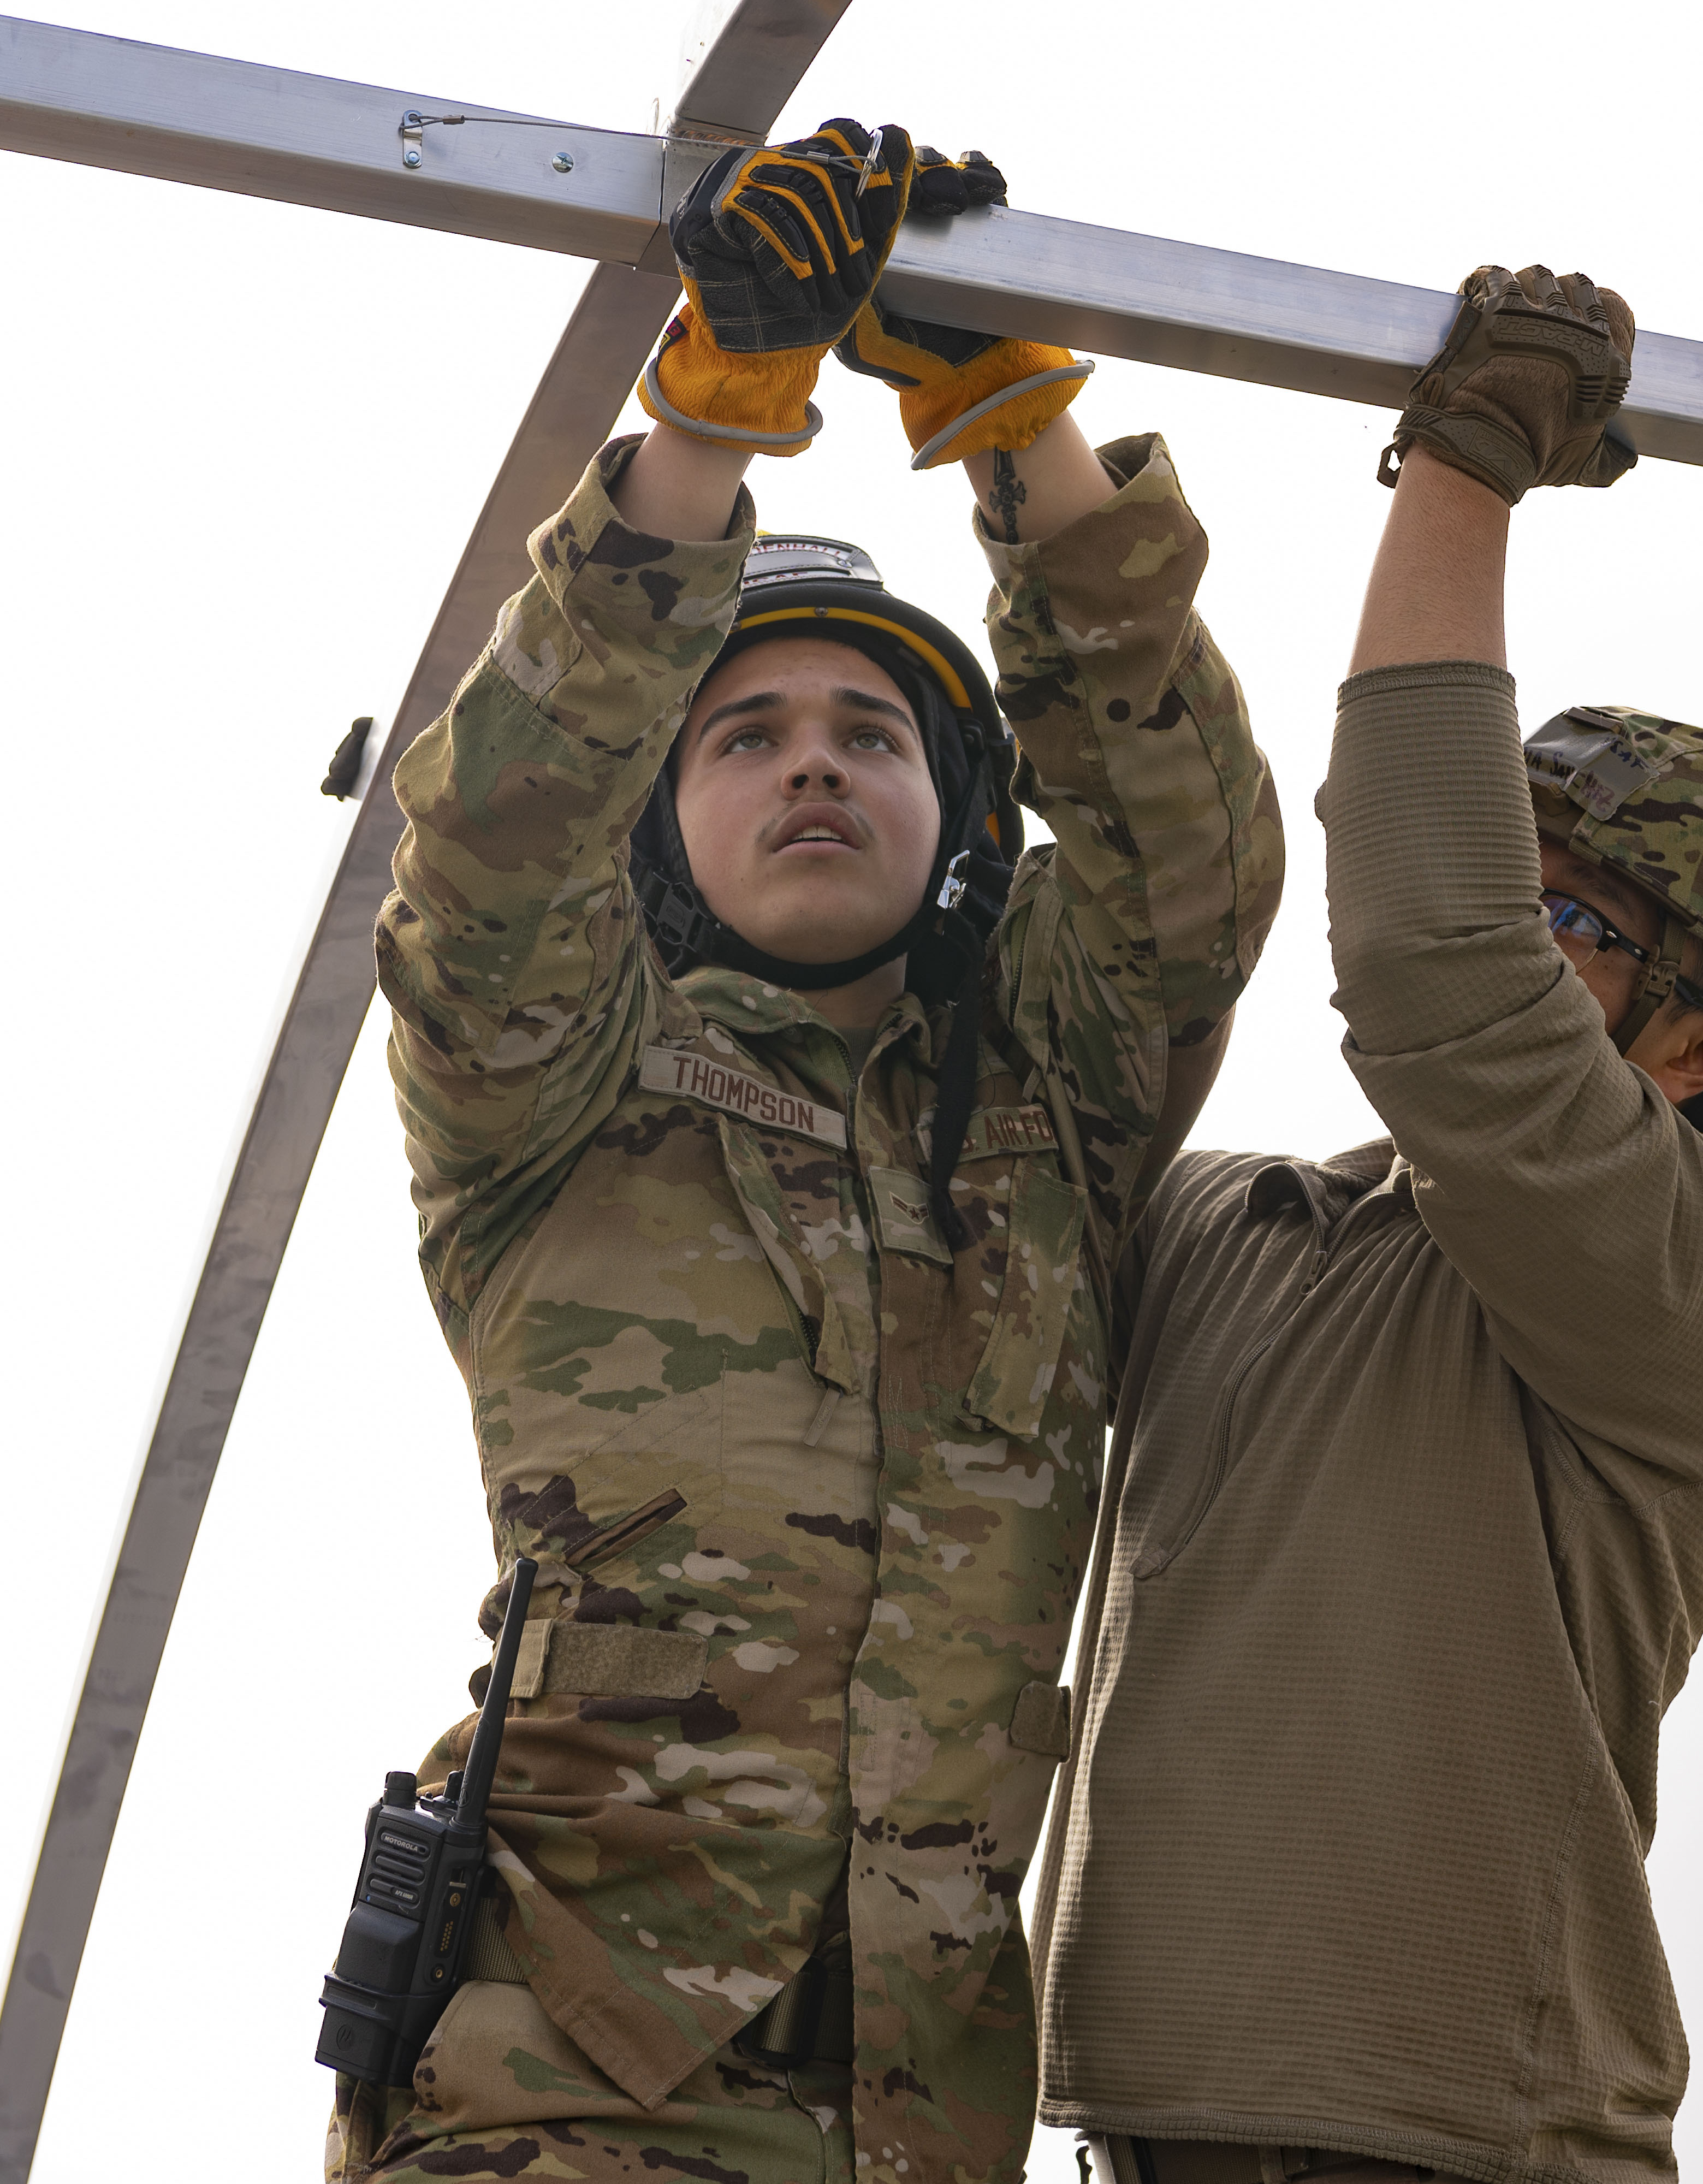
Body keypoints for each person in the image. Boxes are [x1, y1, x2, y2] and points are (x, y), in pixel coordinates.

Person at [330, 121, 1283, 2184]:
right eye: (745, 738)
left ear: (954, 814)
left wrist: (1009, 420)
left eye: (870, 733)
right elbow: (489, 862)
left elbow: (1182, 875)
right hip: (563, 2109)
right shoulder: (552, 1099)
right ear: (663, 819)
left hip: (920, 2133)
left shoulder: (1054, 1115)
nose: (815, 768)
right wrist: (707, 412)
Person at [1031, 267, 1703, 2184]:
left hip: (1456, 2149)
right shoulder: (1241, 1230)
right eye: (1517, 873)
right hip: (1144, 2138)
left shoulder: (1689, 1290)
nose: (1508, 917)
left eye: (1573, 921)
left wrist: (1469, 471)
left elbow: (1427, 949)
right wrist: (1020, 442)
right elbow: (1133, 901)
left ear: (1698, 1045)